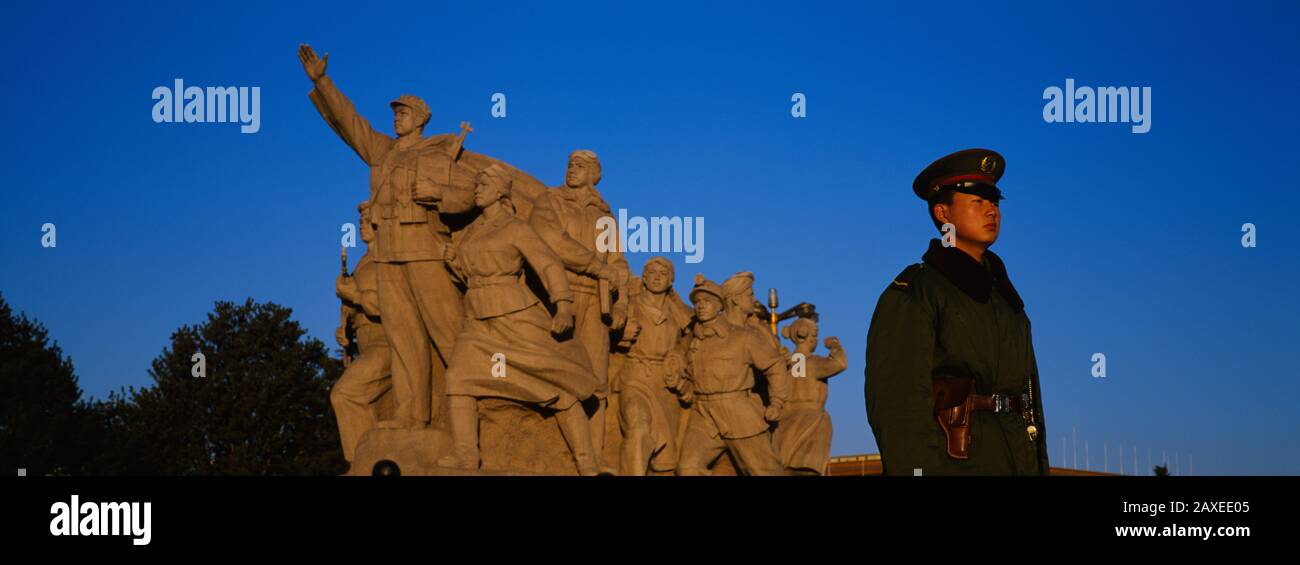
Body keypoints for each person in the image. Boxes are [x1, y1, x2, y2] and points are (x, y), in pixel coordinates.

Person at [865, 148, 1049, 475]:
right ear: (943, 213)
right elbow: (898, 410)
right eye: (976, 201)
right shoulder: (916, 293)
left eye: (994, 201)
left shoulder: (1010, 304)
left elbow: (1032, 406)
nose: (991, 210)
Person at [439, 164, 604, 475]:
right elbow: (471, 276)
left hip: (514, 317)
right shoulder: (472, 231)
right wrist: (453, 264)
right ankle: (466, 460)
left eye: (484, 183)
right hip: (477, 320)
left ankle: (587, 463)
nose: (477, 188)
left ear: (501, 191)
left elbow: (549, 265)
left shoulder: (516, 227)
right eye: (477, 183)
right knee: (458, 378)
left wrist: (564, 304)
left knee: (553, 388)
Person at [528, 150, 631, 470]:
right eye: (571, 164)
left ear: (594, 174)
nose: (573, 170)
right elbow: (549, 239)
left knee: (596, 381)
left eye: (581, 166)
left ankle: (595, 456)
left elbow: (618, 261)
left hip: (598, 304)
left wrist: (624, 302)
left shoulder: (605, 215)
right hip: (559, 295)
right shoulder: (551, 201)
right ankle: (562, 452)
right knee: (559, 372)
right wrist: (595, 267)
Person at [674, 276, 789, 476]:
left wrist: (777, 402)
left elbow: (775, 365)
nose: (701, 306)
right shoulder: (693, 340)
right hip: (704, 415)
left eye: (707, 302)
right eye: (697, 302)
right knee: (687, 469)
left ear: (719, 305)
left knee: (765, 471)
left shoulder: (742, 336)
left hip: (738, 413)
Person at [616, 257, 692, 475]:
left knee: (664, 461)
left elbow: (689, 346)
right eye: (652, 272)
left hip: (666, 387)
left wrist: (679, 363)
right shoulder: (629, 304)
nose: (657, 277)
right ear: (644, 278)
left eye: (664, 273)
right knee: (638, 427)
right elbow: (606, 329)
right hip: (636, 377)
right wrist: (621, 333)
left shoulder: (679, 313)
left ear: (671, 281)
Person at [331, 202, 393, 465]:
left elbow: (389, 305)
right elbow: (357, 312)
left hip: (386, 343)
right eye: (361, 220)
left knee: (345, 394)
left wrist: (353, 294)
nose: (362, 223)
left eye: (368, 219)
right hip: (365, 344)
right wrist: (345, 331)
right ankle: (371, 459)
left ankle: (363, 462)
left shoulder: (388, 259)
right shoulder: (363, 262)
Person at [771, 317, 846, 476]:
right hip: (811, 422)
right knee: (806, 470)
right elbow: (840, 363)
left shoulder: (784, 365)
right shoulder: (813, 363)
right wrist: (834, 346)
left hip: (786, 423)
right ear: (811, 338)